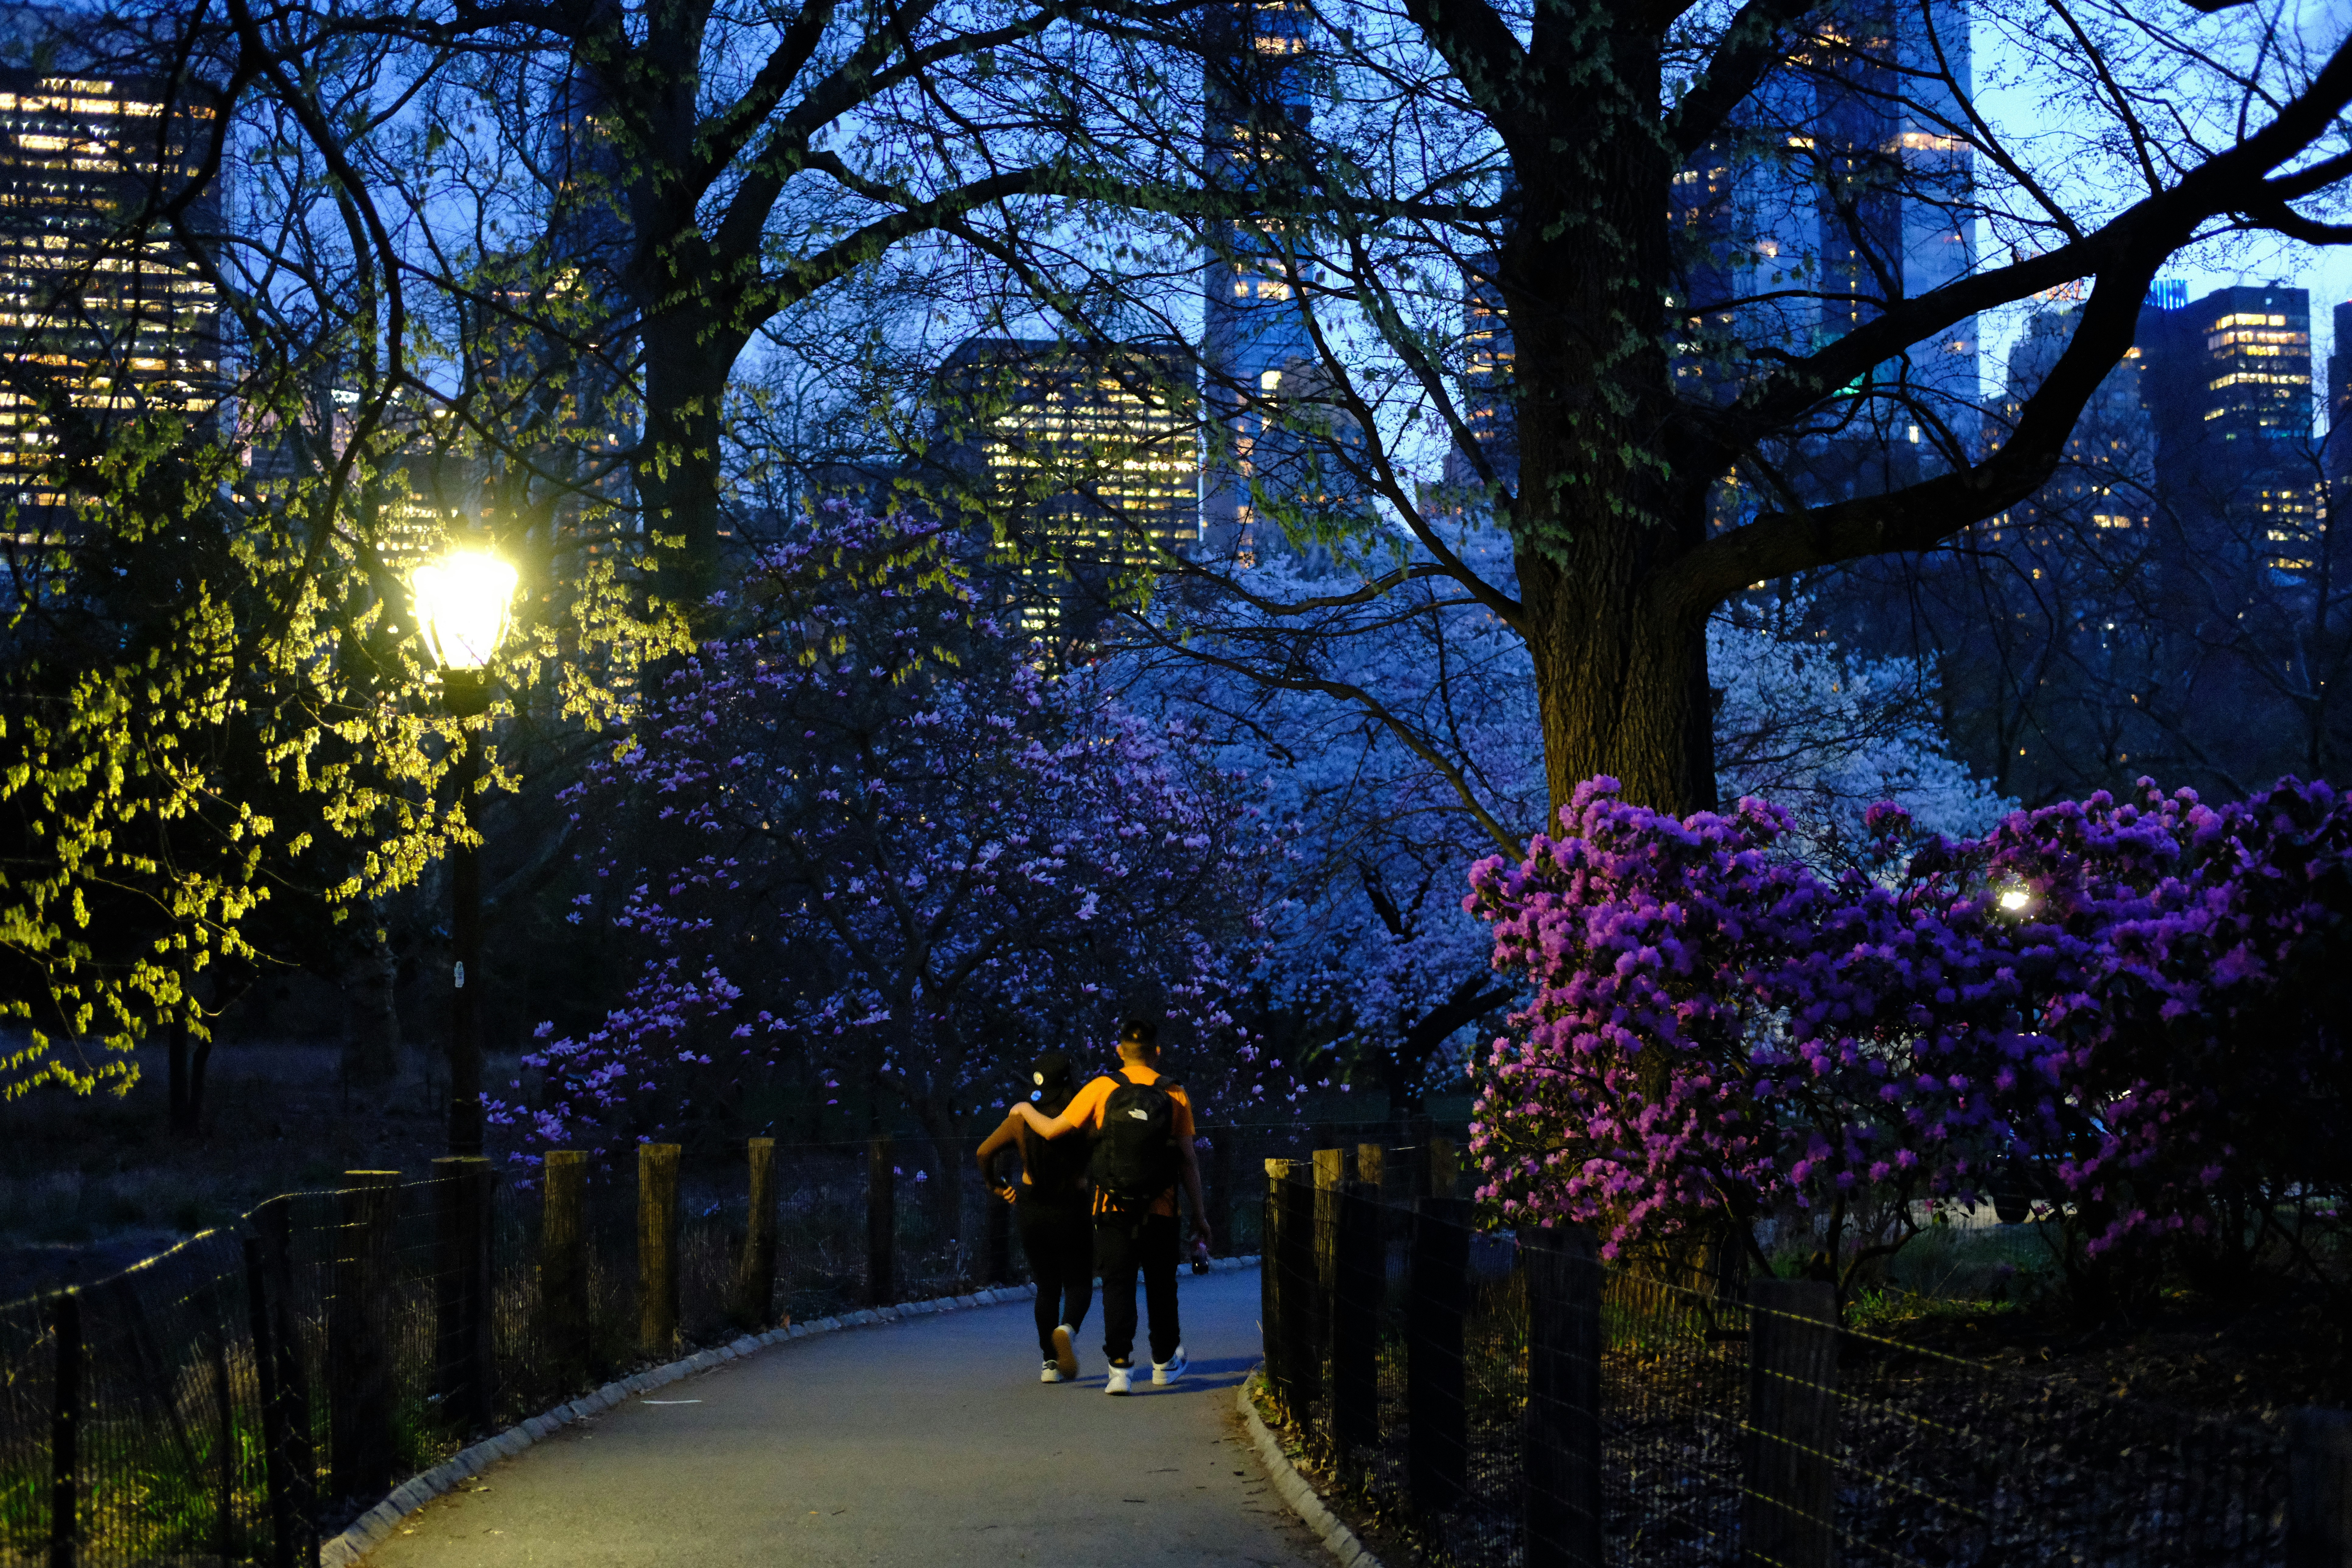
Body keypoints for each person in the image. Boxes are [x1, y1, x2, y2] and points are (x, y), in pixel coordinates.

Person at [1011, 1018, 1211, 1395]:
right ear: (1157, 1052)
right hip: (1163, 1208)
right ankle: (1164, 1362)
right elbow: (1188, 1160)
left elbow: (1054, 1130)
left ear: (1119, 1051)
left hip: (1111, 1207)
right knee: (1161, 1286)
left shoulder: (1102, 1089)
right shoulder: (1175, 1093)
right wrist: (1200, 1215)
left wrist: (1023, 1109)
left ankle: (1119, 1369)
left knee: (1117, 1285)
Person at [975, 1051, 1094, 1382]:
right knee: (1079, 1281)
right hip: (1072, 1205)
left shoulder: (1020, 1119)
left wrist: (995, 1185)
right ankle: (1067, 1330)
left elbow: (984, 1151)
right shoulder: (1080, 1115)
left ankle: (1050, 1363)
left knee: (1047, 1287)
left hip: (1032, 1207)